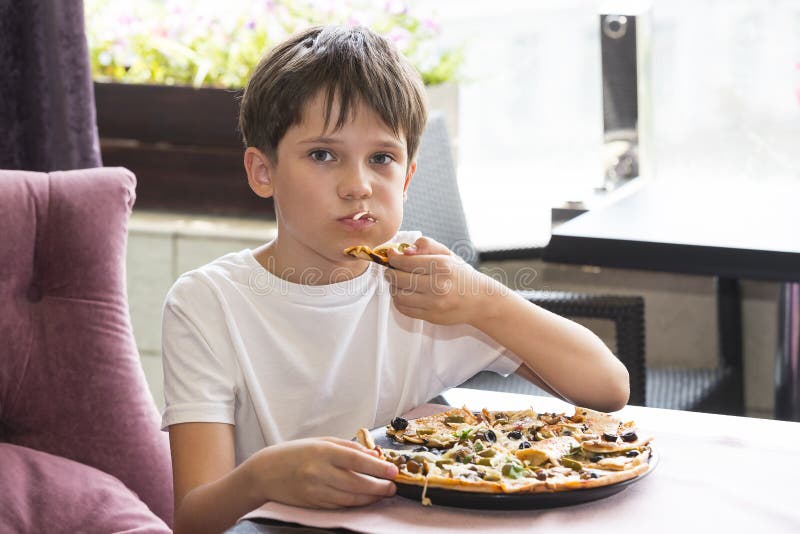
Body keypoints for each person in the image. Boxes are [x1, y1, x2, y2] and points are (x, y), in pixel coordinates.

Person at [161, 25, 629, 533]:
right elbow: (192, 519)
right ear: (262, 171)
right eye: (323, 155)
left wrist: (484, 300)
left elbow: (607, 388)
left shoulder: (427, 286)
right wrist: (260, 478)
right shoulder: (207, 302)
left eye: (381, 158)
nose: (358, 185)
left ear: (406, 178)